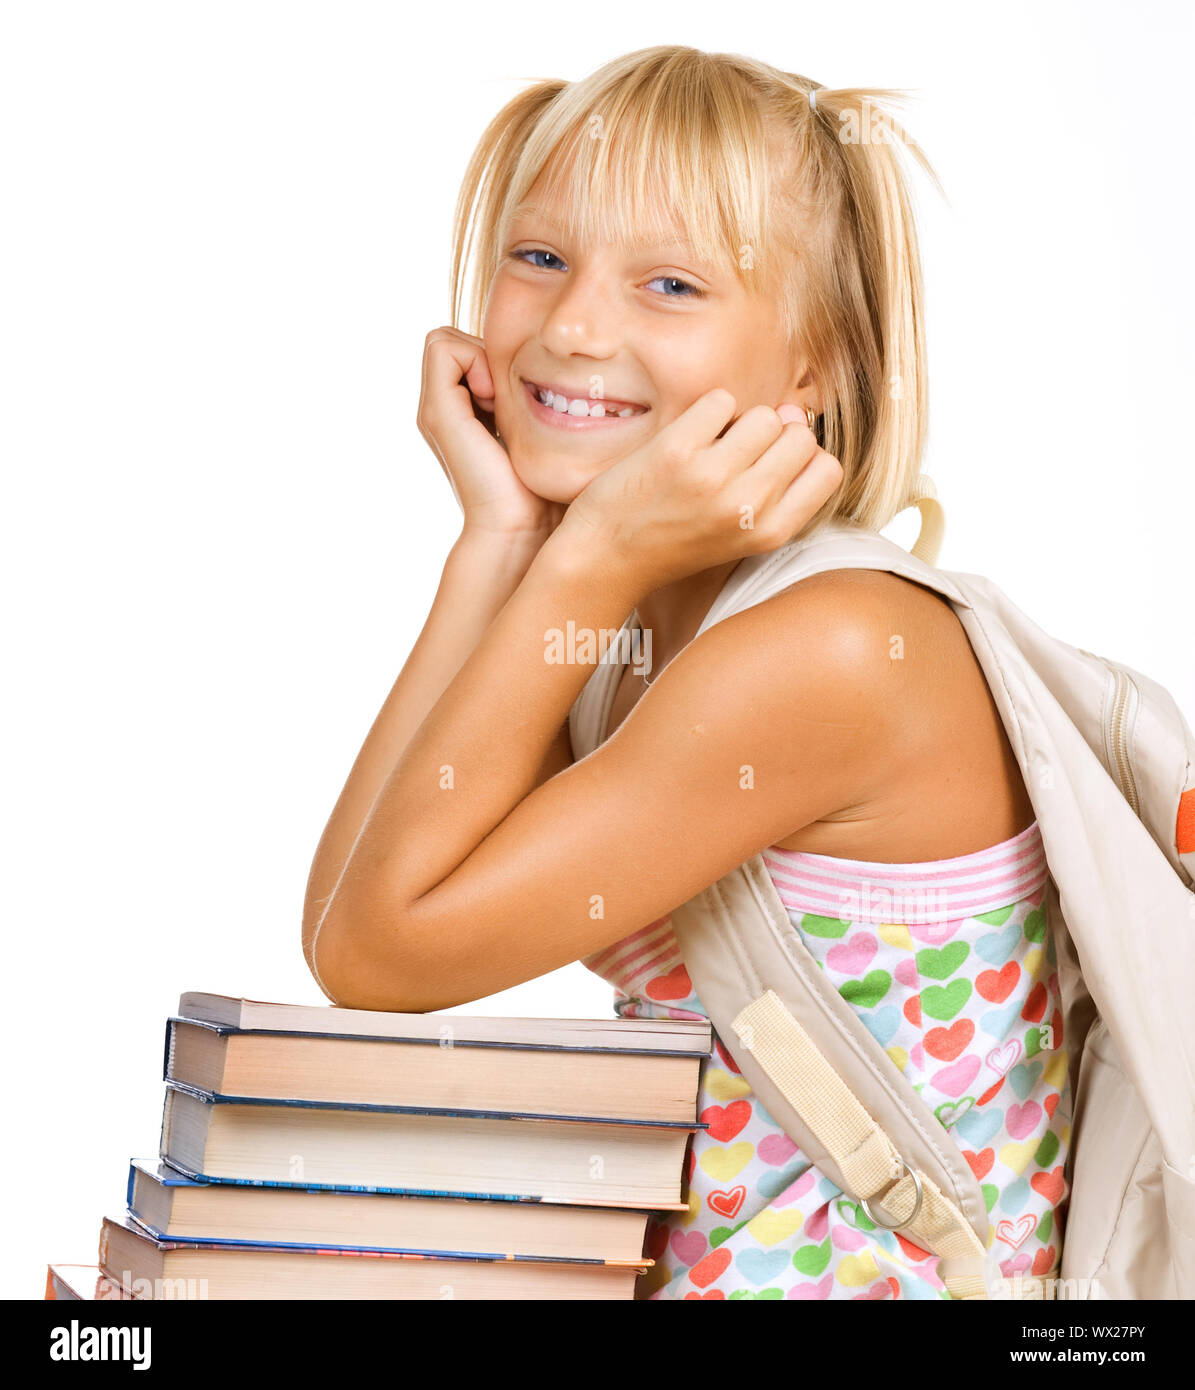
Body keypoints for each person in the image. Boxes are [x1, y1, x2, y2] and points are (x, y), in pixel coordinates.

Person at [301, 45, 1068, 1299]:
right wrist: (504, 540)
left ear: (815, 364)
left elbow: (378, 956)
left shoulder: (830, 650)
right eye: (539, 257)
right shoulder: (645, 626)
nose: (572, 326)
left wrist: (579, 559)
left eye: (670, 283)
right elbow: (344, 913)